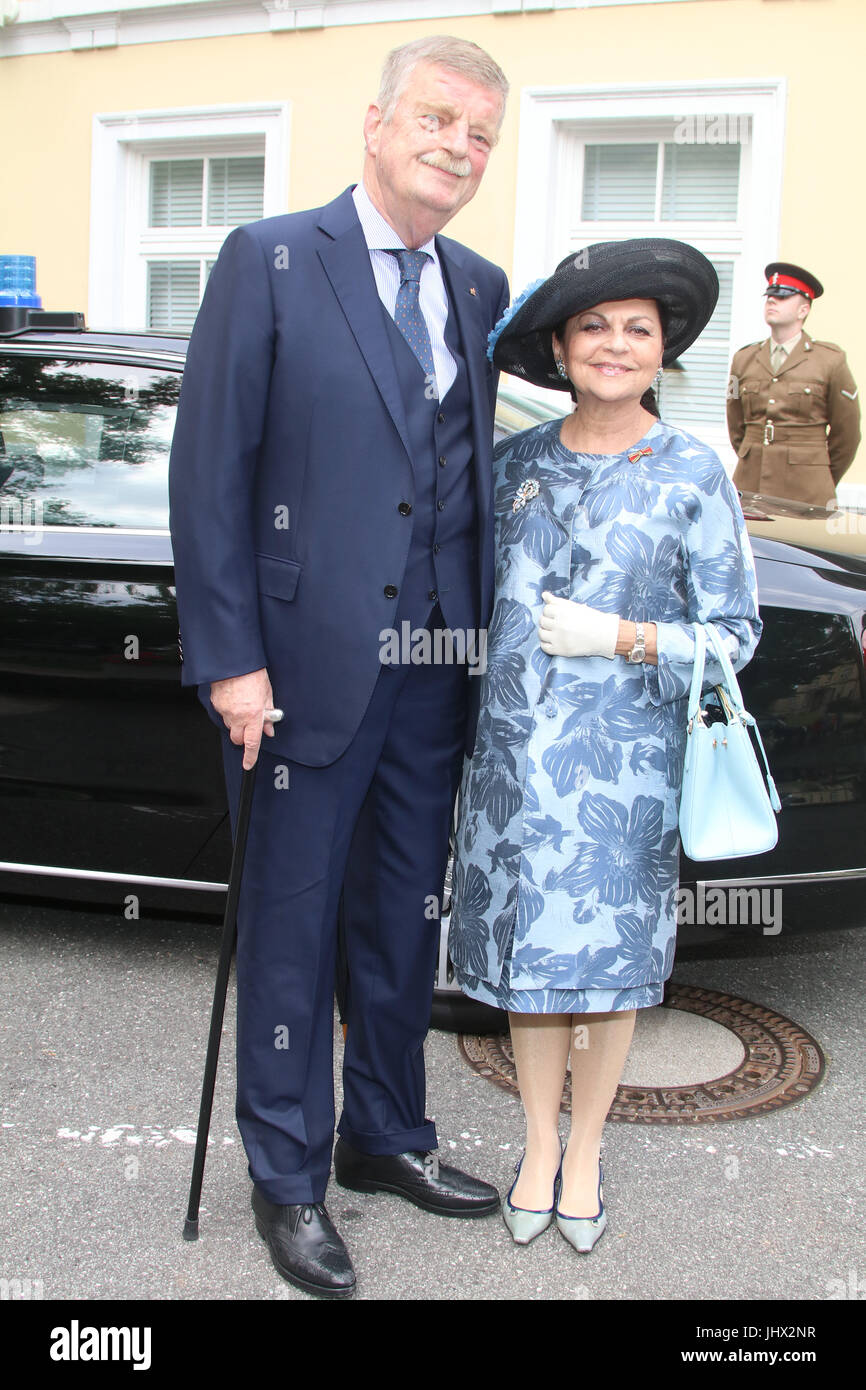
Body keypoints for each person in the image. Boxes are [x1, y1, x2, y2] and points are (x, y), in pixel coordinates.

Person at [168, 34, 510, 1299]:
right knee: (294, 927)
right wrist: (231, 662)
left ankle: (384, 1135)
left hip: (433, 669)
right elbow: (209, 478)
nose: (455, 148)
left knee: (398, 921)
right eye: (434, 120)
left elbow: (477, 478)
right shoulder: (268, 260)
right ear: (374, 125)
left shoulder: (478, 286)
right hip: (301, 671)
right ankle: (288, 1175)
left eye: (478, 135)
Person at [448, 239, 762, 1254]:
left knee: (608, 970)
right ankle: (536, 1145)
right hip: (508, 763)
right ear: (560, 345)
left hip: (622, 776)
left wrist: (624, 636)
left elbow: (734, 634)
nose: (614, 345)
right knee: (530, 971)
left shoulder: (690, 473)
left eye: (636, 329)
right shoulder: (511, 465)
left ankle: (584, 1151)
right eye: (593, 326)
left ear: (662, 350)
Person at [727, 262, 860, 506]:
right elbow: (736, 424)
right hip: (750, 485)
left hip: (806, 489)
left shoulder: (830, 360)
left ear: (803, 310)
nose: (771, 302)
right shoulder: (743, 358)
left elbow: (847, 434)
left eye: (782, 297)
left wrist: (820, 474)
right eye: (769, 296)